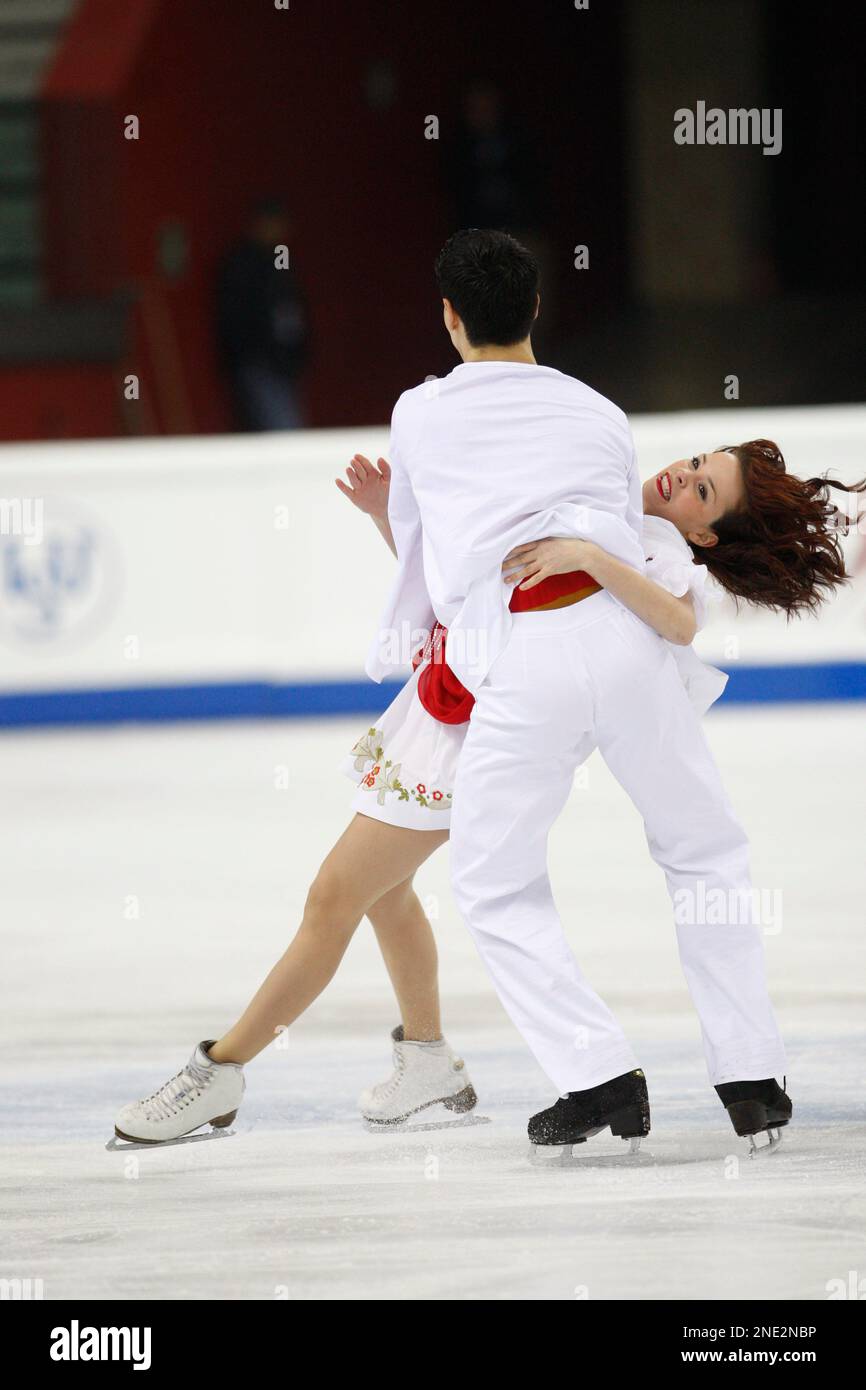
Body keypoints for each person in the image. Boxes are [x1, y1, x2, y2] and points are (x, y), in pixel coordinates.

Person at [113, 232, 862, 1154]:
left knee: (489, 882)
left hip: (515, 668)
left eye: (703, 486)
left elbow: (452, 586)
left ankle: (595, 1076)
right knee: (702, 854)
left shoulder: (422, 413)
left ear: (449, 316)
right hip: (613, 660)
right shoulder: (600, 414)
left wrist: (407, 525)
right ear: (537, 310)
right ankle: (747, 1075)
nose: (684, 479)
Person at [215, 198, 310, 431]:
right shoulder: (243, 264)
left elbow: (291, 311)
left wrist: (296, 353)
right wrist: (252, 355)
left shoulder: (280, 261)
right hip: (258, 364)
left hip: (284, 364)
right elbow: (237, 319)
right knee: (284, 430)